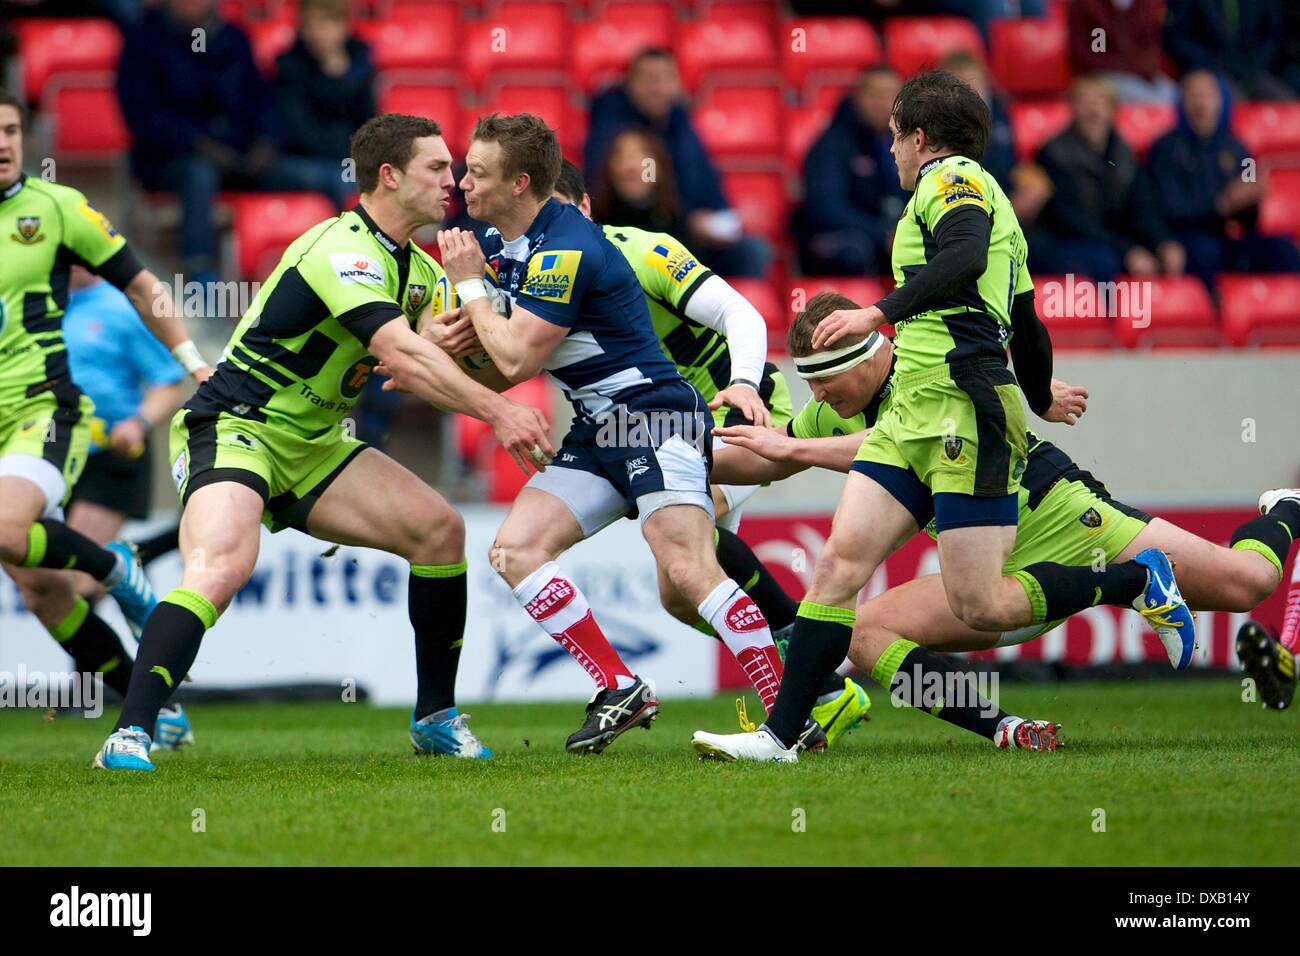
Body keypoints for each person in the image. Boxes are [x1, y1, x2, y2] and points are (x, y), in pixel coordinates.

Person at [690, 70, 1195, 764]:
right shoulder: (999, 211)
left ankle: (1135, 581)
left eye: (894, 137)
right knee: (839, 565)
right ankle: (778, 738)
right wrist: (1041, 393)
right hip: (915, 417)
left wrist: (877, 311)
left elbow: (962, 257)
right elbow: (1028, 324)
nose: (892, 152)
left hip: (962, 406)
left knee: (980, 605)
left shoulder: (950, 180)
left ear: (918, 136)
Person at [93, 113, 554, 771]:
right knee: (221, 566)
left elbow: (445, 361)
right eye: (437, 166)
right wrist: (497, 413)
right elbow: (403, 353)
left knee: (440, 531)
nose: (452, 180)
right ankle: (129, 734)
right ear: (389, 176)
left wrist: (477, 309)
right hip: (238, 425)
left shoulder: (418, 270)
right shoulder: (343, 250)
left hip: (313, 442)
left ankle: (434, 718)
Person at [710, 290, 1300, 745]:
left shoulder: (922, 372)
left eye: (825, 377)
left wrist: (791, 449)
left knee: (1249, 583)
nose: (816, 396)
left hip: (1063, 514)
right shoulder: (836, 410)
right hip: (984, 566)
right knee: (865, 634)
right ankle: (1006, 727)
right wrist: (667, 466)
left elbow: (886, 441)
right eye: (807, 382)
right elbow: (766, 453)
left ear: (868, 350)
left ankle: (1286, 507)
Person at [430, 113, 811, 753]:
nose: (462, 183)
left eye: (477, 172)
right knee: (514, 551)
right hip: (597, 429)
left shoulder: (566, 248)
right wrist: (433, 345)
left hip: (654, 416)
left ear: (520, 183)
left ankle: (786, 721)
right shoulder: (500, 245)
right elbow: (487, 353)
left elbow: (518, 361)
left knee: (689, 573)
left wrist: (469, 291)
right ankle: (619, 685)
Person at [550, 160, 872, 743]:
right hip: (655, 430)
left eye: (560, 210)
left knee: (691, 543)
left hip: (727, 417)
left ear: (587, 208)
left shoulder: (642, 251)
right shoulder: (537, 282)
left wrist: (746, 382)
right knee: (680, 594)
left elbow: (739, 313)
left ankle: (806, 692)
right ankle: (820, 682)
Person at [0, 90, 208, 754]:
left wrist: (190, 360)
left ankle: (116, 570)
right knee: (42, 591)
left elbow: (143, 285)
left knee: (7, 529)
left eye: (9, 130)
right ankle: (149, 708)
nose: (2, 143)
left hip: (43, 408)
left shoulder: (55, 209)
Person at [58, 266, 192, 744]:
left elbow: (167, 381)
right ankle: (136, 556)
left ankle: (86, 691)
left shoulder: (121, 307)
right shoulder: (44, 301)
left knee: (75, 581)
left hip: (113, 455)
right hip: (55, 454)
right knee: (55, 582)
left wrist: (138, 422)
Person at [584, 48, 768, 279]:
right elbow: (633, 191)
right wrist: (686, 217)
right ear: (629, 83)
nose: (657, 88)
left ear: (677, 83)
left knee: (752, 252)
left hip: (685, 234)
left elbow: (706, 178)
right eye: (649, 79)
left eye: (665, 79)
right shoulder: (612, 129)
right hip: (640, 232)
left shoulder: (682, 124)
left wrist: (718, 215)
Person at [1146, 69, 1300, 293]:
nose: (1201, 102)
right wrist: (1221, 204)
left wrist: (1252, 200)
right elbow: (1169, 209)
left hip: (1226, 239)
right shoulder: (1165, 149)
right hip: (1185, 240)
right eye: (1193, 95)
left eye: (1207, 94)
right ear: (1182, 103)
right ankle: (1214, 319)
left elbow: (1248, 224)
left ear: (1221, 101)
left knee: (1282, 249)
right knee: (1206, 251)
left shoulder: (1237, 148)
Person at [1028, 75, 1184, 283]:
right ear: (1072, 108)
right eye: (1085, 101)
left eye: (1101, 102)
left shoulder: (1124, 154)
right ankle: (1107, 316)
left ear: (1113, 110)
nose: (1094, 111)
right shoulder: (1053, 154)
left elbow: (1143, 207)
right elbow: (1072, 221)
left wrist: (1163, 242)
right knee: (1104, 262)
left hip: (1112, 242)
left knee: (1184, 253)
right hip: (1066, 242)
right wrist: (1126, 250)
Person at [794, 66, 907, 277]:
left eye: (892, 95)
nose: (884, 104)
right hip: (840, 240)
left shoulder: (907, 144)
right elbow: (825, 209)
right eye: (876, 95)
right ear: (858, 97)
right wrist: (882, 234)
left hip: (889, 237)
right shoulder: (832, 144)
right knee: (855, 250)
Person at [273, 0, 376, 210]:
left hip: (346, 157)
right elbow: (302, 133)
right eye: (310, 25)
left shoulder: (361, 65)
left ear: (343, 26)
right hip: (300, 159)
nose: (317, 33)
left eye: (326, 23)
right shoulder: (289, 67)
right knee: (342, 179)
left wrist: (342, 75)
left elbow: (369, 124)